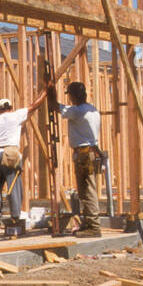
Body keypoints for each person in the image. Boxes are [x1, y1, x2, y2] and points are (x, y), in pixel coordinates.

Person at [0, 85, 50, 236]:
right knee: (14, 187)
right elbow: (34, 105)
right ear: (11, 107)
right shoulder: (16, 115)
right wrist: (45, 92)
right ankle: (15, 218)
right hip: (11, 154)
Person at [57, 82, 104, 235]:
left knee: (88, 189)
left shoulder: (78, 111)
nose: (69, 98)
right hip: (91, 152)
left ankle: (94, 226)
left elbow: (57, 108)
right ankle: (88, 223)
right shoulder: (93, 110)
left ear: (73, 95)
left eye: (69, 95)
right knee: (85, 189)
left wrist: (49, 92)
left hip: (84, 153)